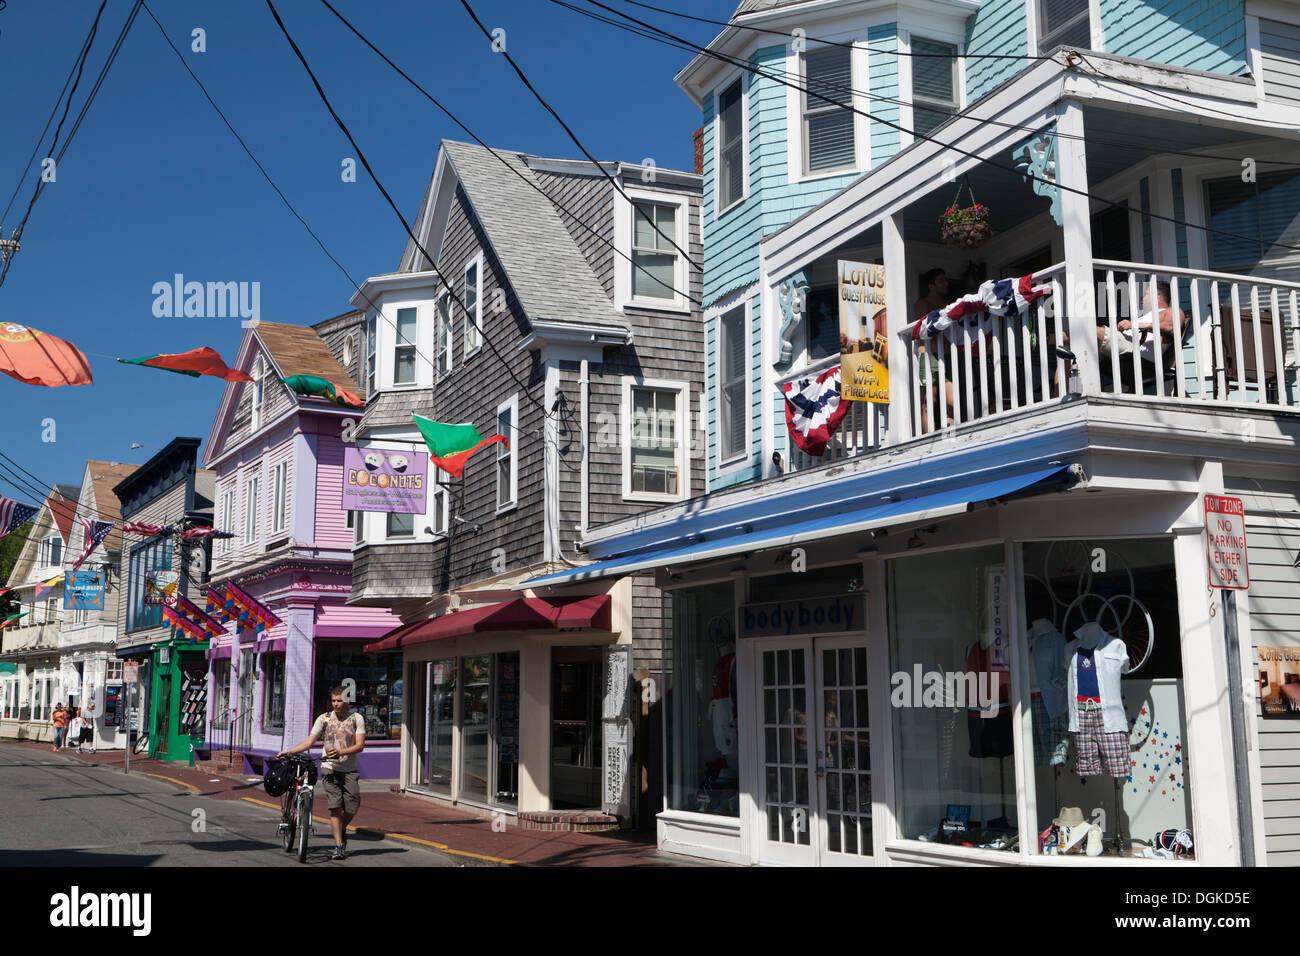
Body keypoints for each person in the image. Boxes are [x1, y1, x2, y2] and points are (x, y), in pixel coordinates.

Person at [278, 686, 366, 861]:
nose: (335, 704)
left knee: (352, 806)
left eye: (339, 700)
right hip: (329, 769)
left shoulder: (357, 718)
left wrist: (341, 752)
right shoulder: (324, 719)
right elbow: (309, 742)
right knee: (335, 807)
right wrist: (288, 751)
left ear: (347, 701)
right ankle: (339, 846)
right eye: (333, 700)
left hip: (349, 770)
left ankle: (340, 828)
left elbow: (360, 746)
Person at [912, 268, 955, 431]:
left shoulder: (947, 306)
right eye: (941, 280)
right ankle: (928, 436)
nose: (946, 283)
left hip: (947, 356)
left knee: (951, 401)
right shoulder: (922, 303)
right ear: (931, 285)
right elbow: (925, 330)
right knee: (930, 400)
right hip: (929, 355)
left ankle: (949, 434)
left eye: (945, 280)